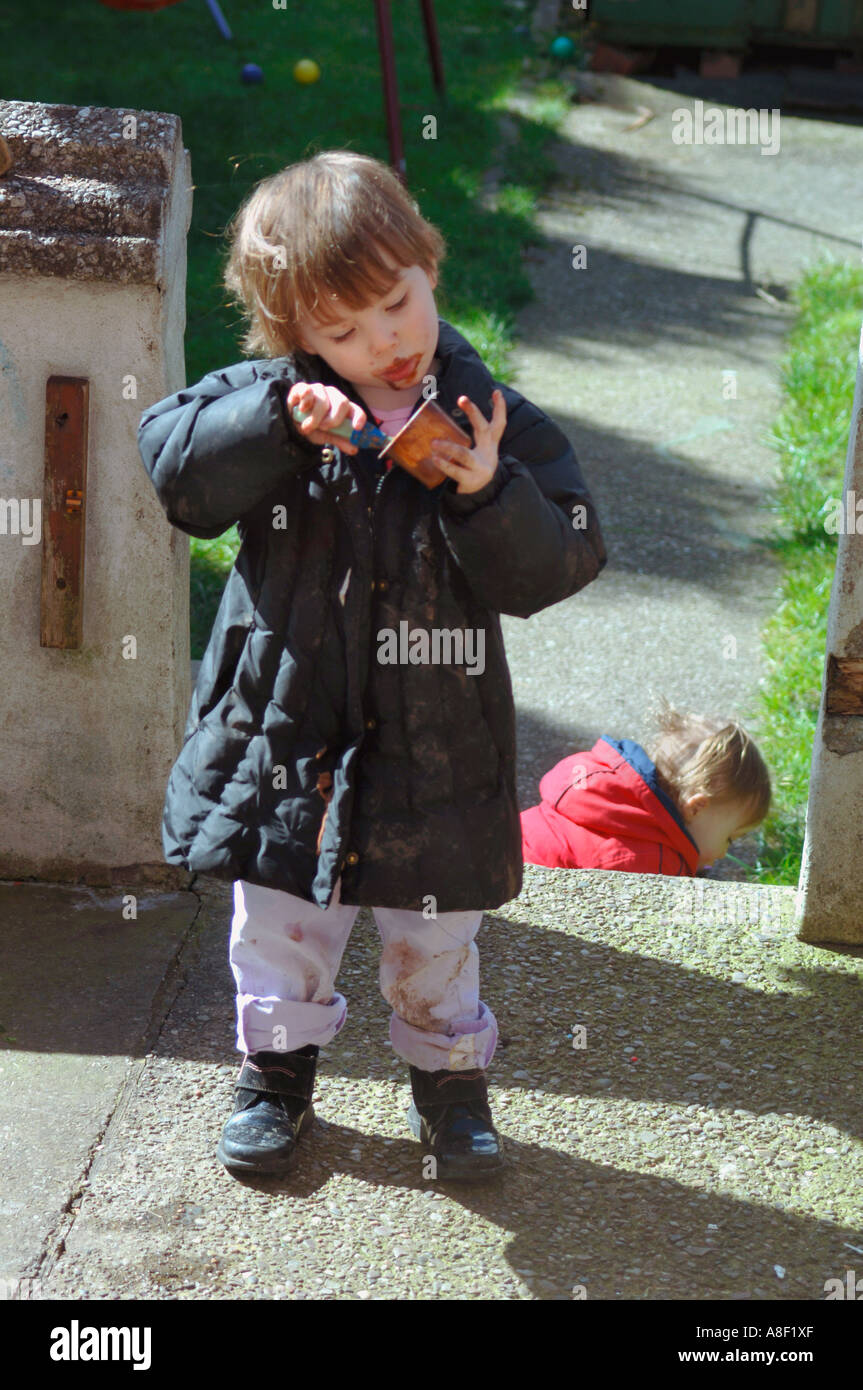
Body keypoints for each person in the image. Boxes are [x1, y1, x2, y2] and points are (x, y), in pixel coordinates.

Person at [137, 150, 605, 1182]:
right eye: (339, 332)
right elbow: (172, 467)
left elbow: (564, 554)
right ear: (295, 337)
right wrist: (273, 425)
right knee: (282, 919)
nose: (380, 344)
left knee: (432, 933)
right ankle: (276, 1069)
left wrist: (487, 494)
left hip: (434, 743)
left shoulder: (494, 423)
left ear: (428, 265)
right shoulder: (277, 405)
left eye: (395, 305)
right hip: (288, 727)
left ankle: (448, 1081)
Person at [521, 699, 771, 874]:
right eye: (729, 838)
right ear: (696, 806)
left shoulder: (601, 792)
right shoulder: (655, 865)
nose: (724, 853)